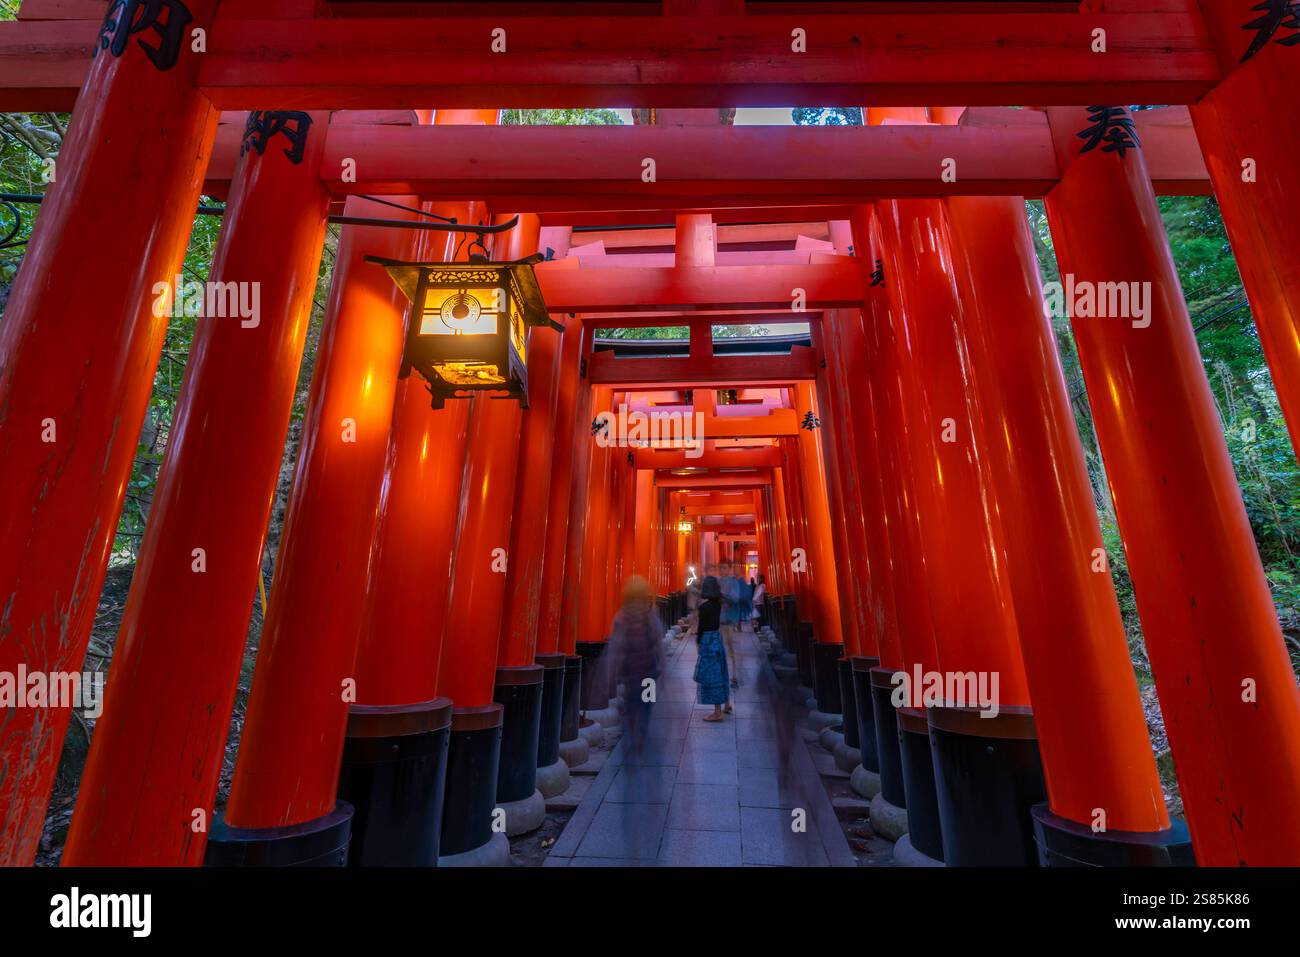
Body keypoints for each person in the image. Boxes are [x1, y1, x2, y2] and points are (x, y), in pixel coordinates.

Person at [606, 576, 664, 760]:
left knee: (631, 704)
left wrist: (612, 673)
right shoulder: (651, 615)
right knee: (647, 705)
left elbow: (616, 646)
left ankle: (630, 735)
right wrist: (662, 667)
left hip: (630, 673)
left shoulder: (621, 616)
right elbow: (658, 644)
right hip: (649, 672)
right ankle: (642, 734)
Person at [693, 576, 732, 721]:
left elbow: (701, 628)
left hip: (708, 641)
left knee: (712, 676)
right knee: (722, 671)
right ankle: (726, 704)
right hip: (717, 638)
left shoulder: (704, 607)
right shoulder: (718, 604)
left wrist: (698, 642)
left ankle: (717, 712)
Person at [718, 562, 743, 687]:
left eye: (724, 567)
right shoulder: (718, 582)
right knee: (720, 648)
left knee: (731, 648)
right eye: (720, 568)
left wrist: (723, 595)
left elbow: (735, 598)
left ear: (729, 569)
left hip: (729, 620)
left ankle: (734, 675)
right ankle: (723, 674)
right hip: (719, 620)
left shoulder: (733, 583)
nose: (722, 570)